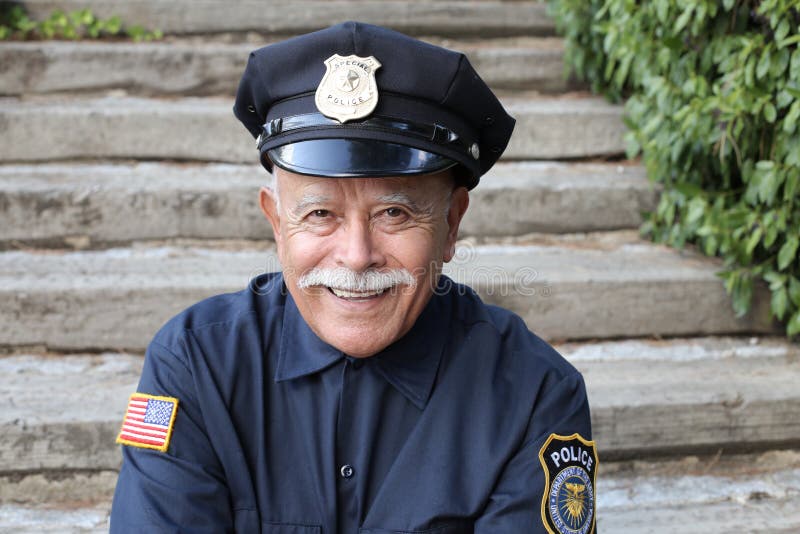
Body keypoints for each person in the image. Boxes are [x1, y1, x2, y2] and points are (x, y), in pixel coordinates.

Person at [110, 21, 597, 534]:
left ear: (451, 224)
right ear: (277, 224)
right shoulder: (194, 367)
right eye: (320, 214)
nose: (357, 256)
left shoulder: (534, 394)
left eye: (394, 214)